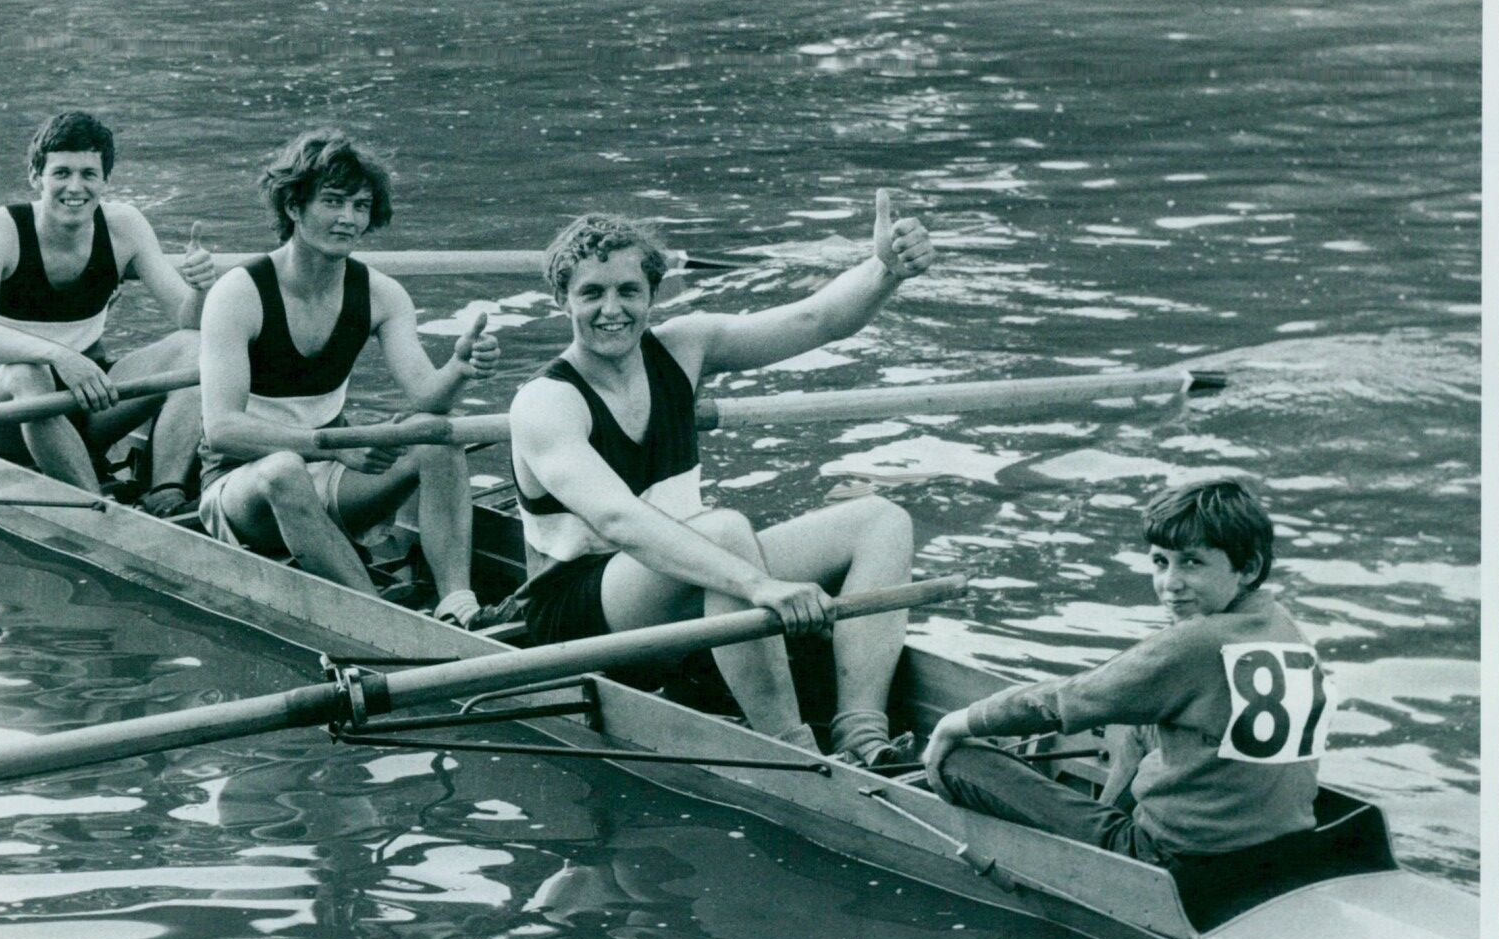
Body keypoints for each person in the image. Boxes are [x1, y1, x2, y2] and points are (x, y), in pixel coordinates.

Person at [507, 200, 936, 765]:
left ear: (652, 295)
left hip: (695, 575)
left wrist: (884, 270)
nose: (612, 309)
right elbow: (618, 518)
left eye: (628, 292)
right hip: (579, 616)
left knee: (880, 520)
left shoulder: (686, 346)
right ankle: (793, 753)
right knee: (728, 531)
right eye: (592, 294)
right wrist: (757, 585)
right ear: (562, 299)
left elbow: (816, 320)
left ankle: (860, 733)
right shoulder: (547, 401)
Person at [922, 478, 1328, 872]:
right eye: (1160, 562)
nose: (1171, 584)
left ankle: (1111, 854)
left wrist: (954, 723)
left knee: (957, 759)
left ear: (1248, 567)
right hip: (1284, 843)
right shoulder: (1282, 623)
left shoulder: (1194, 642)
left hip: (1175, 858)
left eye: (1192, 562)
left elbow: (1064, 699)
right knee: (1138, 727)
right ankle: (1109, 821)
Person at [196, 127, 499, 624]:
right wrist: (336, 445)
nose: (349, 219)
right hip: (241, 486)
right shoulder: (239, 293)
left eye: (361, 206)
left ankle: (459, 607)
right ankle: (382, 621)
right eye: (333, 201)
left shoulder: (382, 294)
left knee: (438, 439)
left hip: (329, 470)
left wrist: (459, 370)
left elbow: (426, 398)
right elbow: (223, 430)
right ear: (293, 206)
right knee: (283, 470)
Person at [0, 111, 215, 511]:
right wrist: (59, 355)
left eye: (88, 175)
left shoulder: (125, 226)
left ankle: (164, 491)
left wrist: (200, 290)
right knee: (30, 371)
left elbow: (188, 320)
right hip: (0, 411)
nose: (74, 188)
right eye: (61, 173)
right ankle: (99, 507)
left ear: (104, 181)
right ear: (35, 176)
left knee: (196, 346)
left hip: (88, 398)